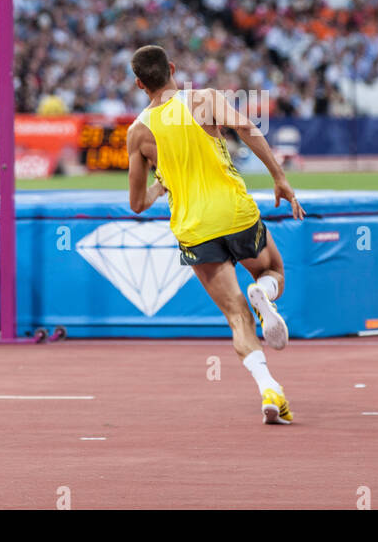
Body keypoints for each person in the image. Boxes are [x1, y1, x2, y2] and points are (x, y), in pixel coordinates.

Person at [125, 45, 306, 425]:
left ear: (140, 84)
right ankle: (265, 293)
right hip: (234, 211)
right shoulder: (202, 100)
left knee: (237, 316)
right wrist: (280, 178)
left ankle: (269, 387)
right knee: (272, 271)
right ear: (173, 68)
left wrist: (163, 185)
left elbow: (138, 203)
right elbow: (246, 128)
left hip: (194, 228)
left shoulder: (137, 132)